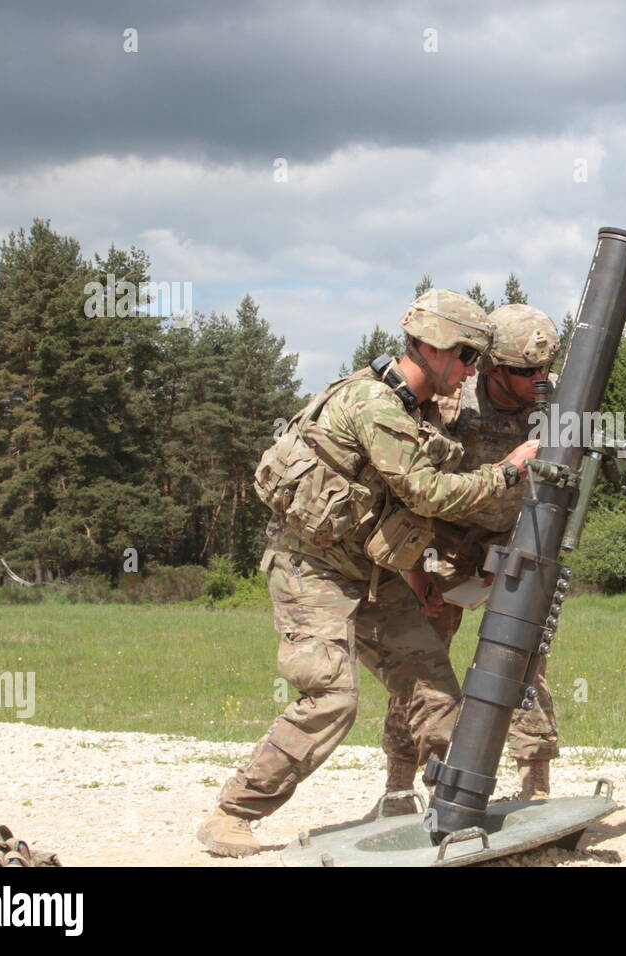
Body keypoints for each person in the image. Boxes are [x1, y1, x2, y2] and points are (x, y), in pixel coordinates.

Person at [196, 290, 538, 857]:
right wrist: (508, 471)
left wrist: (417, 572)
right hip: (311, 569)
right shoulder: (373, 404)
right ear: (433, 346)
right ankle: (233, 813)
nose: (472, 371)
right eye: (468, 357)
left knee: (436, 694)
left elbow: (389, 509)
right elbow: (427, 493)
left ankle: (456, 811)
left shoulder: (417, 410)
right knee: (332, 697)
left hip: (374, 574)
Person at [377, 303, 562, 811]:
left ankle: (534, 782)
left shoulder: (560, 401)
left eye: (545, 368)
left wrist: (510, 548)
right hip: (443, 542)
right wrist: (417, 570)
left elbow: (563, 492)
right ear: (492, 365)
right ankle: (399, 784)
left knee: (525, 660)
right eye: (526, 372)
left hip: (520, 537)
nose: (539, 380)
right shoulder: (453, 401)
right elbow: (413, 493)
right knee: (420, 660)